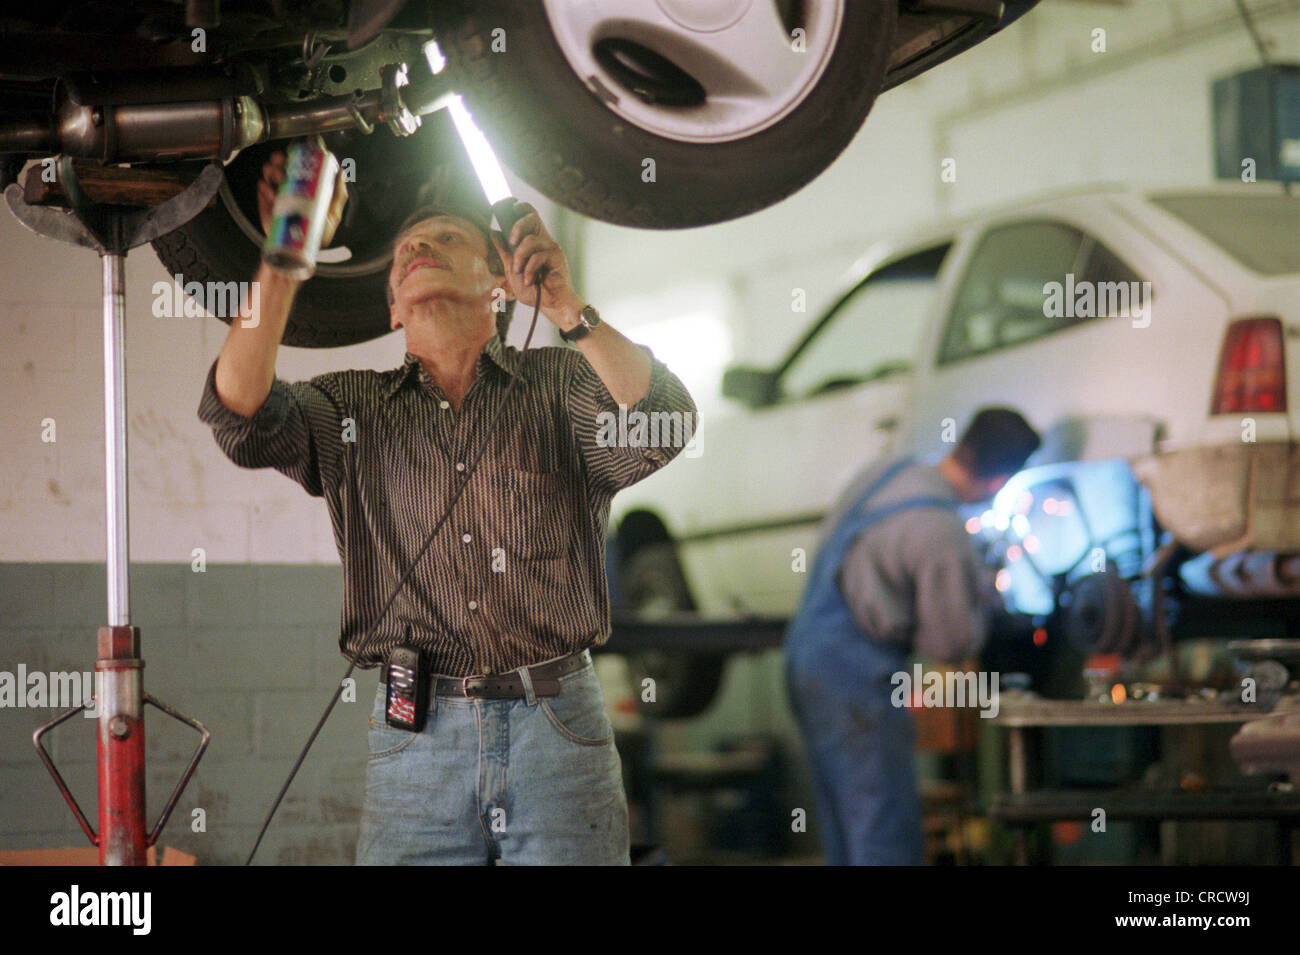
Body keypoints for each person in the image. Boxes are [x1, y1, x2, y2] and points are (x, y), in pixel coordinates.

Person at [197, 151, 696, 864]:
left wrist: (565, 307)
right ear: (392, 306)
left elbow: (666, 419)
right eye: (404, 252)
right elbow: (239, 413)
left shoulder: (560, 385)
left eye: (446, 240)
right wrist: (283, 260)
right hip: (415, 733)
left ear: (498, 283)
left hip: (556, 723)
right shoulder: (351, 409)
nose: (418, 251)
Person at [784, 408, 1040, 865]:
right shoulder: (940, 530)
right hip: (855, 677)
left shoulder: (887, 471)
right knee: (884, 831)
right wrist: (981, 597)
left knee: (848, 826)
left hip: (805, 655)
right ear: (1001, 482)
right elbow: (951, 644)